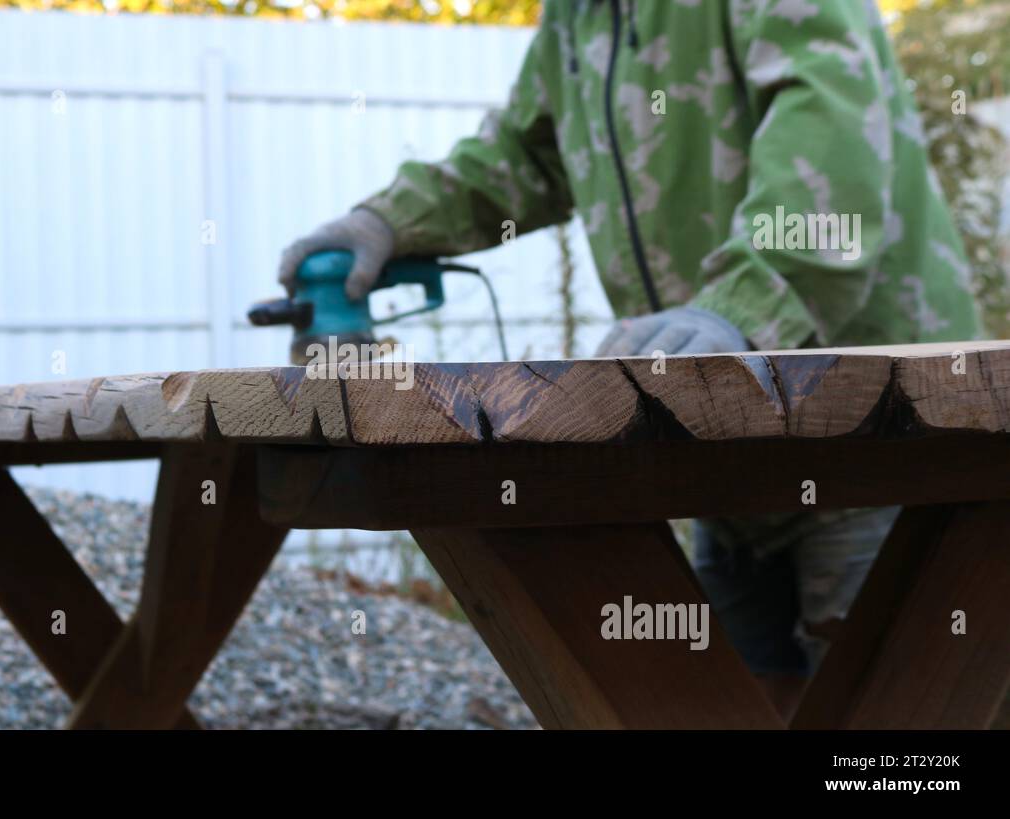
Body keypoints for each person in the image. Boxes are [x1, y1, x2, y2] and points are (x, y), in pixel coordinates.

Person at [277, 0, 981, 719]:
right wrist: (390, 219)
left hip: (873, 423)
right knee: (737, 705)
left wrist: (741, 304)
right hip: (731, 443)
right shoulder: (574, 17)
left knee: (901, 738)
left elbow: (832, 136)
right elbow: (522, 158)